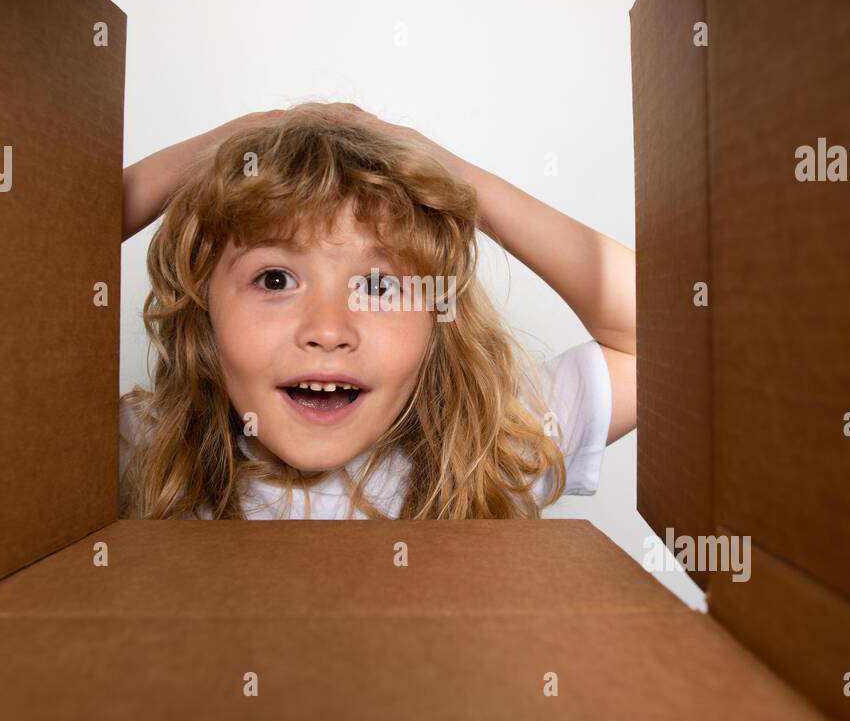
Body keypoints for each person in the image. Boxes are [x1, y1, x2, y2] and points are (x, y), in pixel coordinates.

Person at [118, 102, 636, 519]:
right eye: (275, 279)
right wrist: (224, 145)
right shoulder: (142, 449)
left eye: (379, 286)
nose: (327, 330)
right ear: (202, 308)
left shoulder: (495, 450)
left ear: (437, 315)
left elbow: (679, 332)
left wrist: (445, 172)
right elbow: (38, 287)